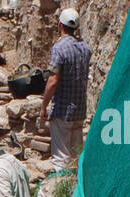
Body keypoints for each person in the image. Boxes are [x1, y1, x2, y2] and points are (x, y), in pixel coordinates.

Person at [39, 8, 92, 171]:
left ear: (59, 25)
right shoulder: (85, 48)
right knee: (76, 156)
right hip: (79, 111)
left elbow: (53, 81)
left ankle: (61, 193)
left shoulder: (59, 48)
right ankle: (78, 189)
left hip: (62, 111)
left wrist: (43, 106)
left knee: (61, 159)